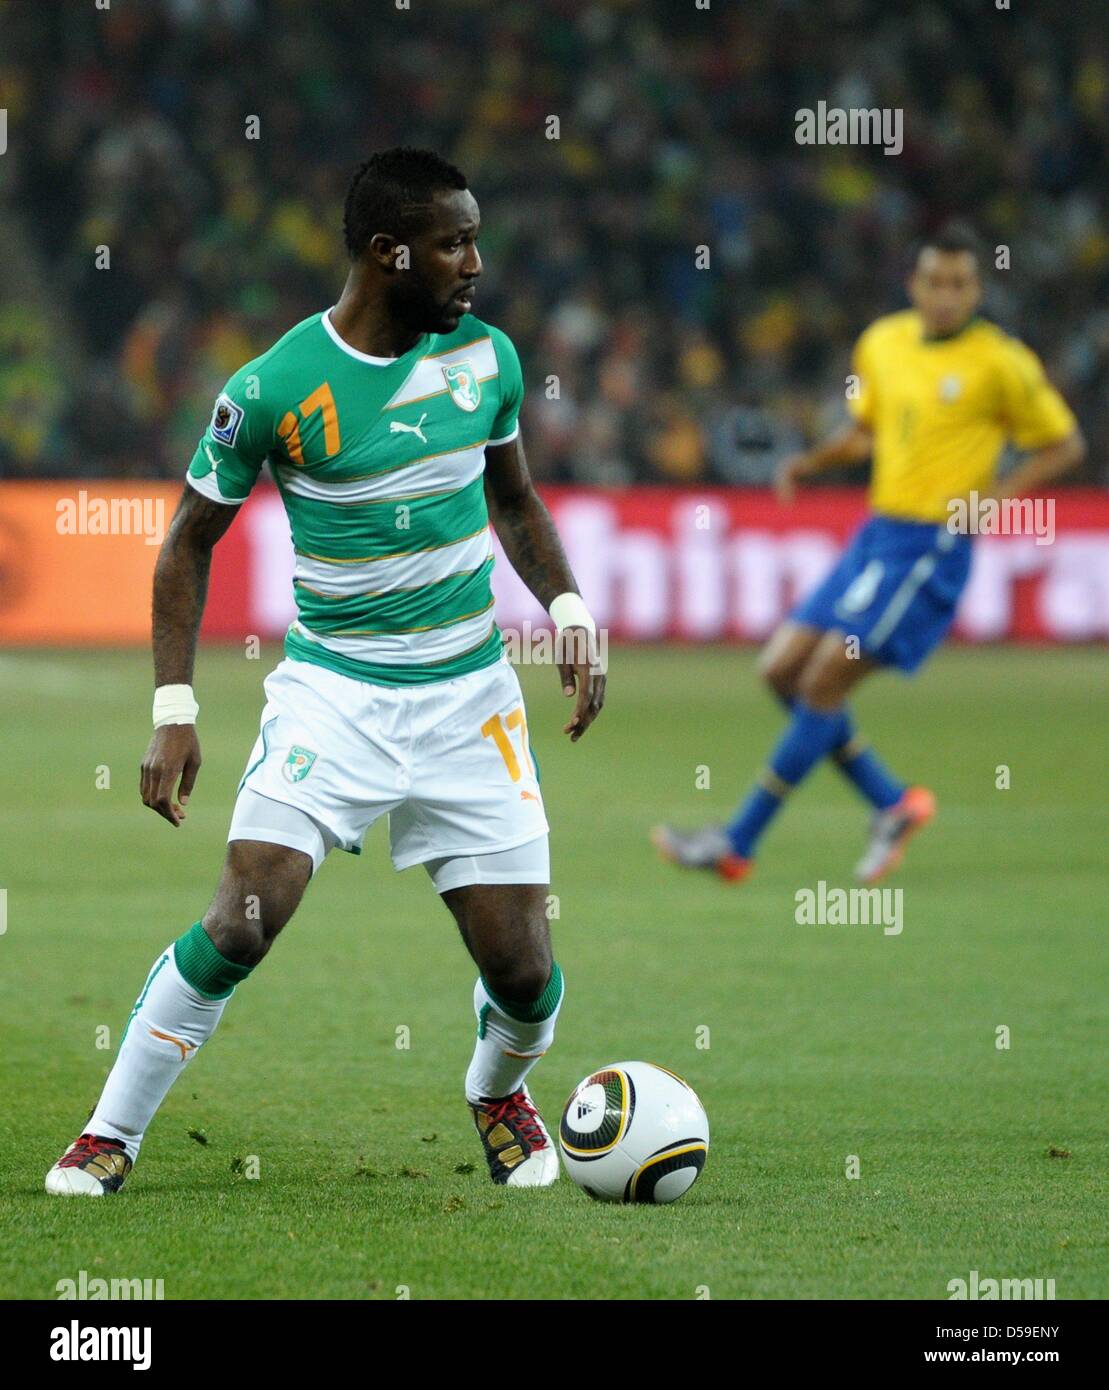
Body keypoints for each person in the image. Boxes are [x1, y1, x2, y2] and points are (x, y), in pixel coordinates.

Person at [47, 148, 605, 1196]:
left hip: (468, 698)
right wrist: (174, 709)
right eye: (454, 243)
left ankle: (495, 1092)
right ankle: (108, 1131)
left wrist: (566, 607)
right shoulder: (275, 387)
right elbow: (185, 543)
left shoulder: (486, 362)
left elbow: (515, 502)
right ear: (389, 253)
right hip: (334, 696)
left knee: (523, 970)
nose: (475, 262)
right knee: (244, 916)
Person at [653, 226, 1084, 884]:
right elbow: (863, 432)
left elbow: (1063, 444)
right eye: (934, 282)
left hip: (932, 546)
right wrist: (810, 461)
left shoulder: (1000, 362)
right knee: (779, 671)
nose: (945, 296)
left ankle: (736, 841)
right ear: (914, 285)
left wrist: (996, 497)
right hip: (877, 534)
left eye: (959, 284)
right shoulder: (882, 343)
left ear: (975, 288)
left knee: (825, 677)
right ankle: (890, 803)